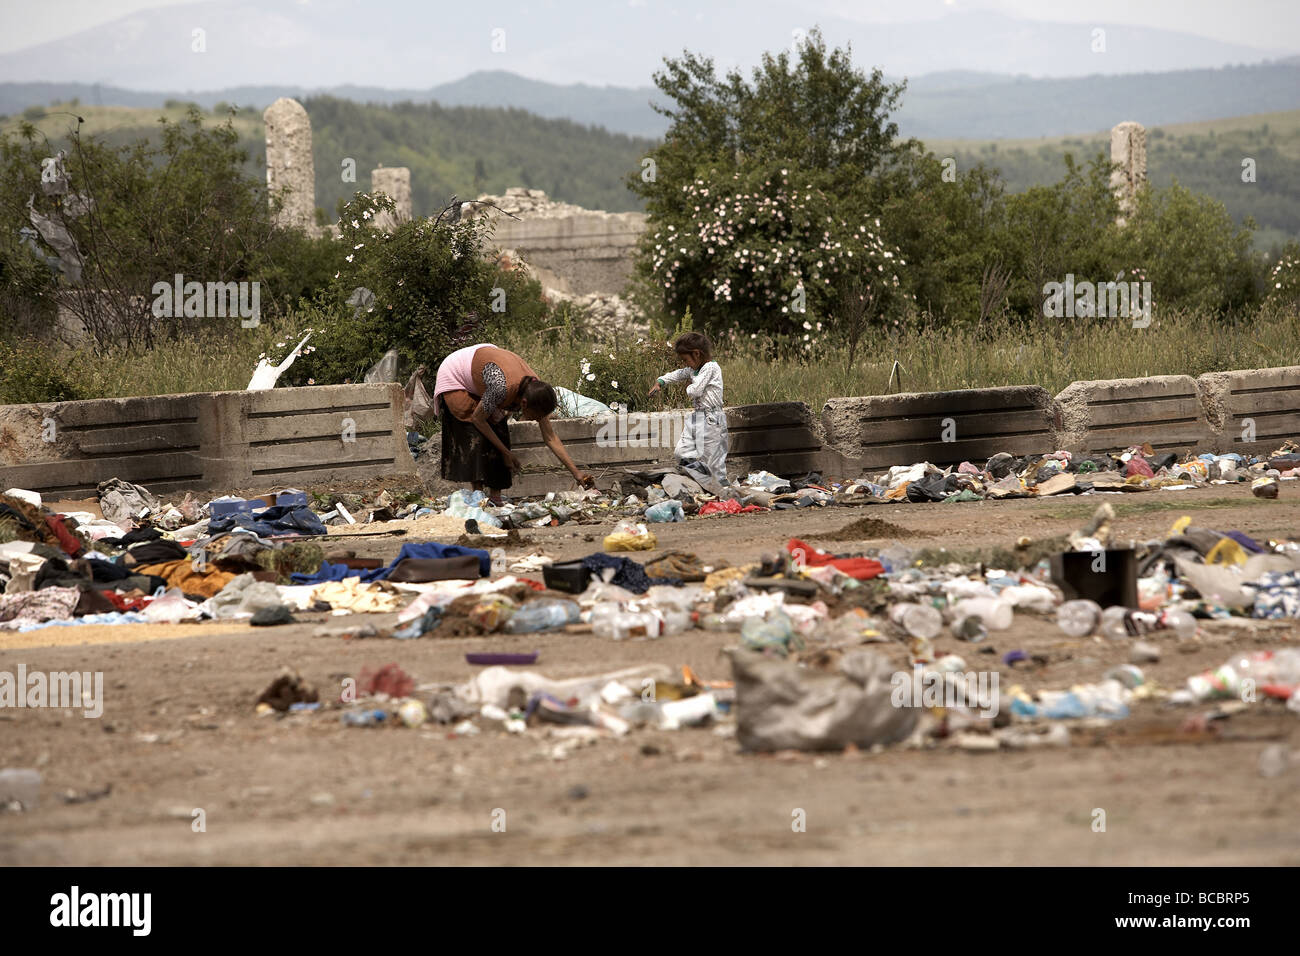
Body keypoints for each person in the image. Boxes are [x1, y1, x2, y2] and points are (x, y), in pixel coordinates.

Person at [433, 343, 592, 503]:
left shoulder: (536, 391)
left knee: (499, 429)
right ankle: (479, 498)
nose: (538, 420)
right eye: (537, 417)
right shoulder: (500, 388)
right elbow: (477, 419)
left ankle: (495, 498)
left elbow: (550, 437)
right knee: (475, 436)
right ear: (523, 403)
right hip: (455, 374)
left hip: (486, 371)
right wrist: (506, 453)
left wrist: (576, 473)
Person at [648, 331, 729, 487]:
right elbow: (679, 374)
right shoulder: (693, 369)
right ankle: (704, 479)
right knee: (681, 453)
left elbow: (695, 390)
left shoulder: (711, 368)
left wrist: (688, 386)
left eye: (686, 359)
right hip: (698, 417)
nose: (685, 363)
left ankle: (721, 489)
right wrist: (661, 381)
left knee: (713, 461)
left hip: (712, 419)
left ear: (697, 354)